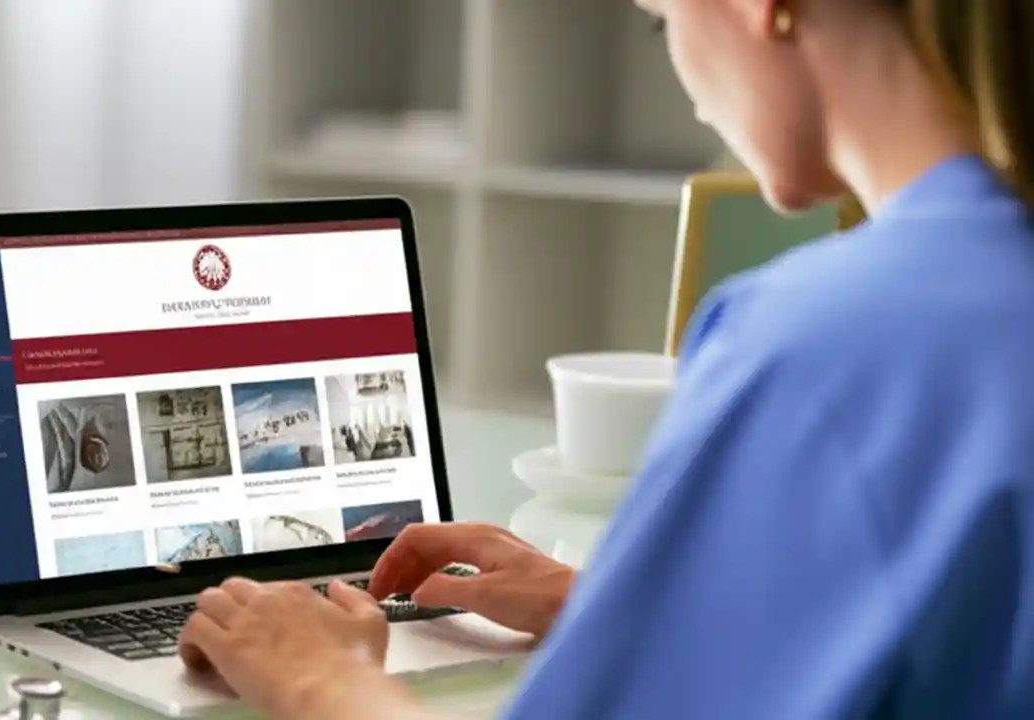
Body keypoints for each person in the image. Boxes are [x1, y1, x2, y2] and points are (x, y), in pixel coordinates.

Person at [177, 0, 1034, 717]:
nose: (692, 92)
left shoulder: (820, 343)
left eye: (662, 23)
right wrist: (628, 609)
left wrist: (317, 676)